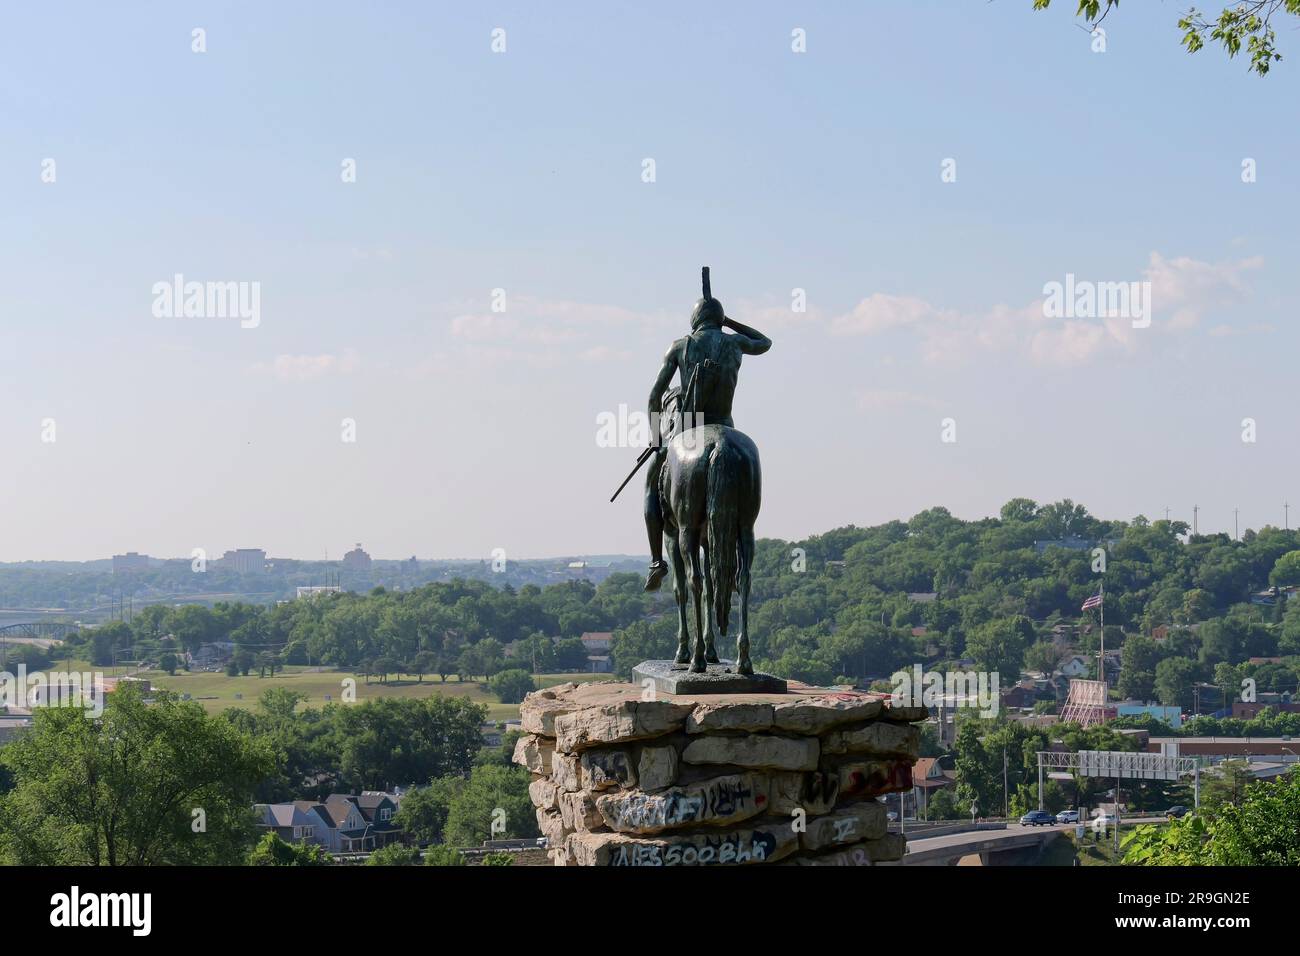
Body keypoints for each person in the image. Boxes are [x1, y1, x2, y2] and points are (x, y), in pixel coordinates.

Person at [642, 283, 770, 591]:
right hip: (725, 424)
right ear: (718, 318)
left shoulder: (679, 346)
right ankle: (738, 566)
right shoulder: (734, 343)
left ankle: (657, 561)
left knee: (650, 484)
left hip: (688, 427)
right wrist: (729, 323)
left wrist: (657, 438)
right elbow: (764, 342)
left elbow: (655, 396)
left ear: (694, 319)